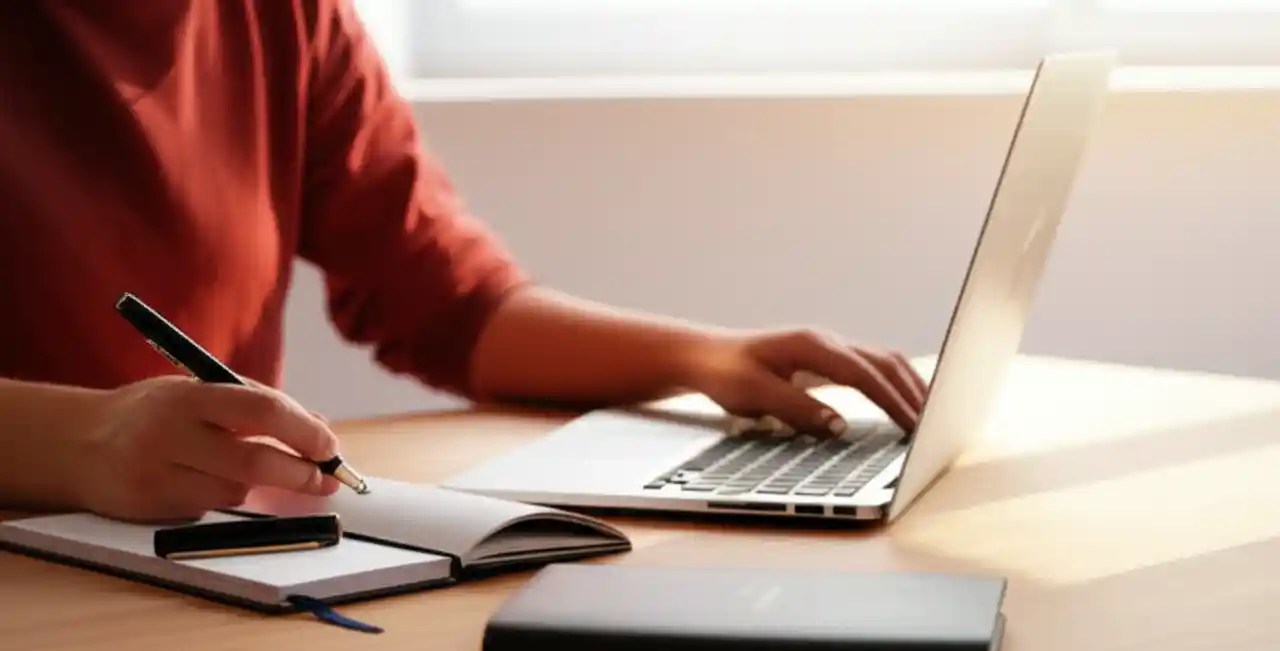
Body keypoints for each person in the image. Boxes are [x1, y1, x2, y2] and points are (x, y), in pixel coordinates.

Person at [0, 1, 926, 523]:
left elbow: (450, 304)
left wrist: (704, 359)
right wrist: (83, 442)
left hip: (199, 563)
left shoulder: (286, 17)